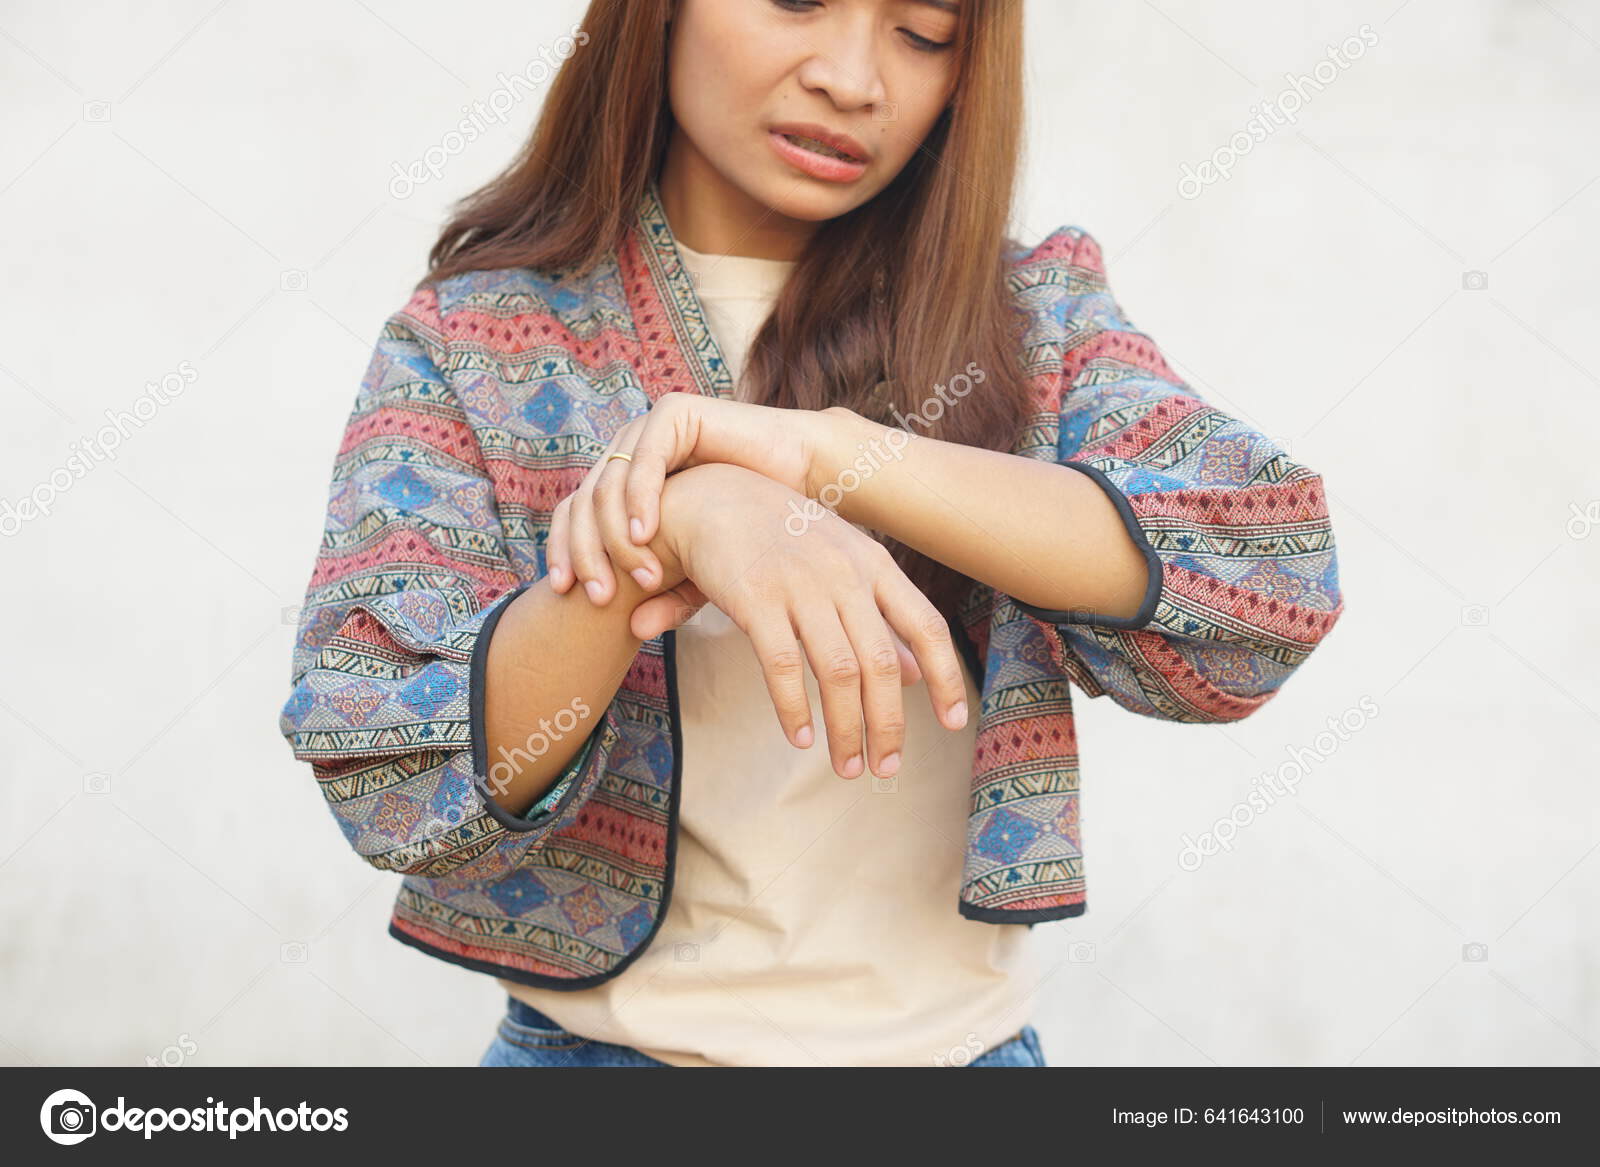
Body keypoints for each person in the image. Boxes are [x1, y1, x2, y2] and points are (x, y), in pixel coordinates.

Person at [279, 0, 1344, 1068]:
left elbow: (1267, 580)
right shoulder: (471, 340)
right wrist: (677, 519)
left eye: (921, 33)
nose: (852, 78)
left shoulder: (1027, 319)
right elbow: (388, 768)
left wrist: (833, 460)